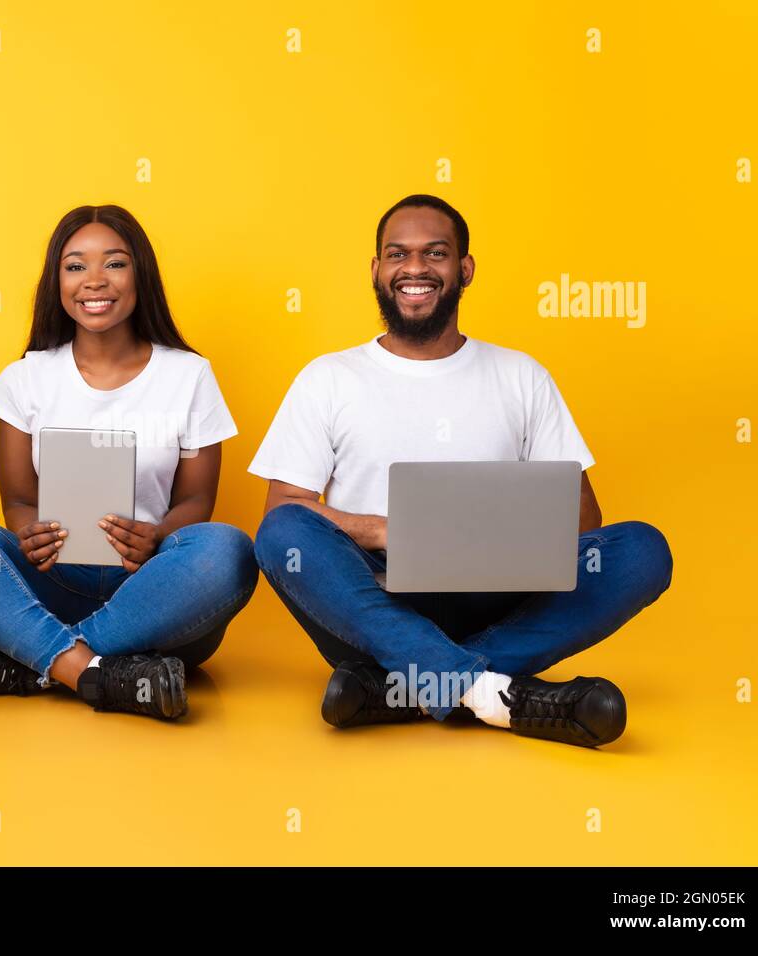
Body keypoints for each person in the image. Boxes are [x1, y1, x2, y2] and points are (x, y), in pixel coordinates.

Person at [249, 195, 672, 748]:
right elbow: (283, 511)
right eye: (397, 254)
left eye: (436, 253)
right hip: (373, 601)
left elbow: (586, 521)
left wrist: (496, 537)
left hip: (501, 598)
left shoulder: (521, 375)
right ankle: (497, 693)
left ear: (464, 269)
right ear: (376, 270)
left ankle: (405, 686)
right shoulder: (327, 378)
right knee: (282, 536)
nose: (415, 268)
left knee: (643, 550)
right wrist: (382, 530)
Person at [0, 204, 257, 721]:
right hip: (51, 585)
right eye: (75, 266)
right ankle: (96, 674)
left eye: (114, 263)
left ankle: (32, 663)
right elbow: (20, 501)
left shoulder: (189, 375)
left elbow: (196, 500)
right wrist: (29, 533)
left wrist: (157, 536)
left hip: (152, 593)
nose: (95, 280)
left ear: (141, 275)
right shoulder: (25, 379)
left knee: (230, 551)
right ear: (57, 280)